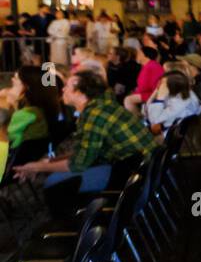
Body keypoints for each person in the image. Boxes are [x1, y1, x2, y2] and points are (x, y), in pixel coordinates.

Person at [14, 69, 155, 195]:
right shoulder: (101, 106)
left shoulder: (95, 115)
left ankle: (81, 215)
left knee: (56, 183)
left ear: (81, 94)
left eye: (67, 86)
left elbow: (79, 164)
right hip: (141, 166)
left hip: (136, 174)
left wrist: (38, 167)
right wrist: (50, 161)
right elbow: (87, 152)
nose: (63, 89)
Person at [0, 65, 59, 158]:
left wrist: (15, 105)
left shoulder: (26, 114)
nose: (12, 80)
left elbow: (10, 142)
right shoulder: (43, 110)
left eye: (15, 82)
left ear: (27, 87)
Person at [142, 70, 201, 135]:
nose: (159, 84)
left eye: (162, 83)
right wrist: (156, 91)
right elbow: (145, 111)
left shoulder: (181, 101)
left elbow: (155, 122)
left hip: (173, 136)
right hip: (164, 129)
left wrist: (160, 97)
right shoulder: (175, 92)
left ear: (173, 86)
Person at [123, 44, 164, 115]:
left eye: (139, 53)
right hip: (148, 93)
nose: (137, 55)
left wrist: (136, 92)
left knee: (128, 100)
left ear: (146, 55)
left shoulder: (152, 66)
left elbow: (149, 87)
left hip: (154, 94)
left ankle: (139, 119)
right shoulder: (147, 66)